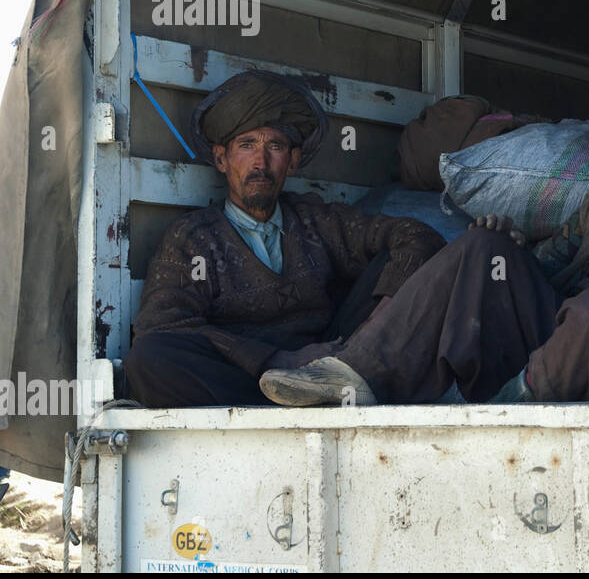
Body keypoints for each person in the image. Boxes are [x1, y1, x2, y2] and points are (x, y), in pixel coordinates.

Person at [259, 65, 589, 405]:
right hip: (570, 342)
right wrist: (507, 253)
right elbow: (543, 268)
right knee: (481, 245)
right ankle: (359, 373)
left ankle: (504, 406)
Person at [124, 71, 446, 407]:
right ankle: (282, 409)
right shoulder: (193, 239)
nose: (260, 162)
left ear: (291, 161)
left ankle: (335, 387)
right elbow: (162, 327)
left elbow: (415, 235)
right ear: (221, 158)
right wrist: (277, 359)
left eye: (274, 146)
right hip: (248, 382)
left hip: (334, 369)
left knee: (402, 259)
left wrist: (371, 331)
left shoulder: (316, 220)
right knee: (152, 355)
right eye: (247, 145)